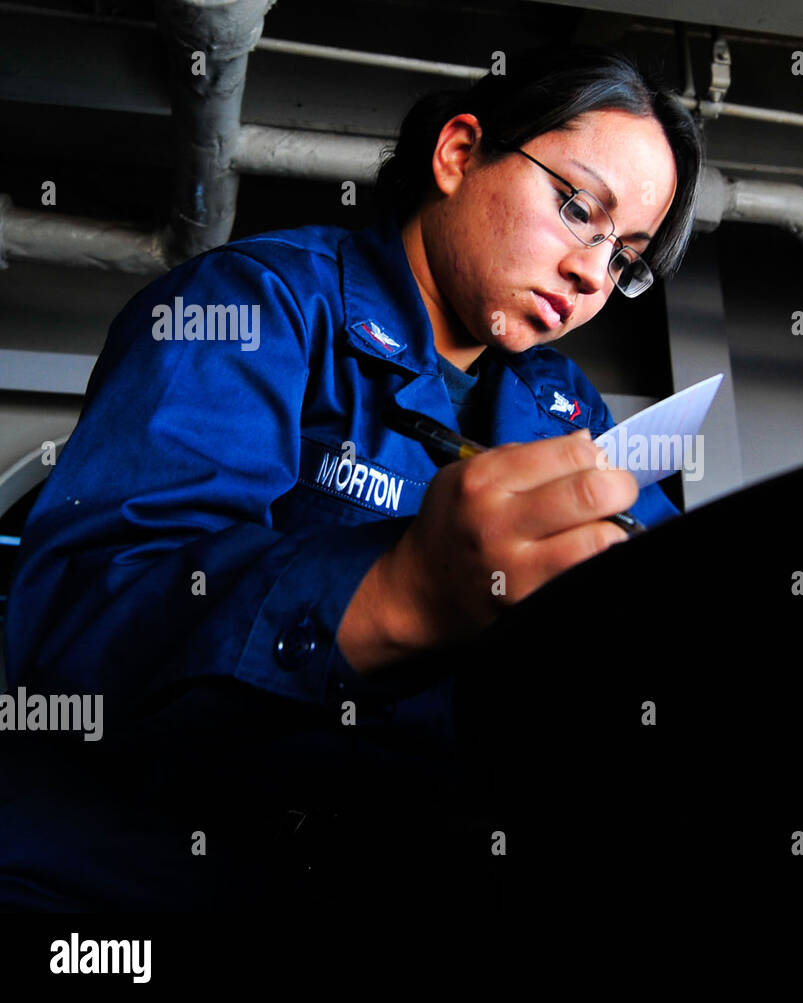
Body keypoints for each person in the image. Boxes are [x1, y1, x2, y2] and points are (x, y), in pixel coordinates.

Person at [0, 44, 704, 910]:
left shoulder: (566, 411)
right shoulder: (252, 306)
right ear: (458, 154)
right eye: (574, 207)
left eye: (624, 257)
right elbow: (78, 631)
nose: (593, 272)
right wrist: (397, 594)